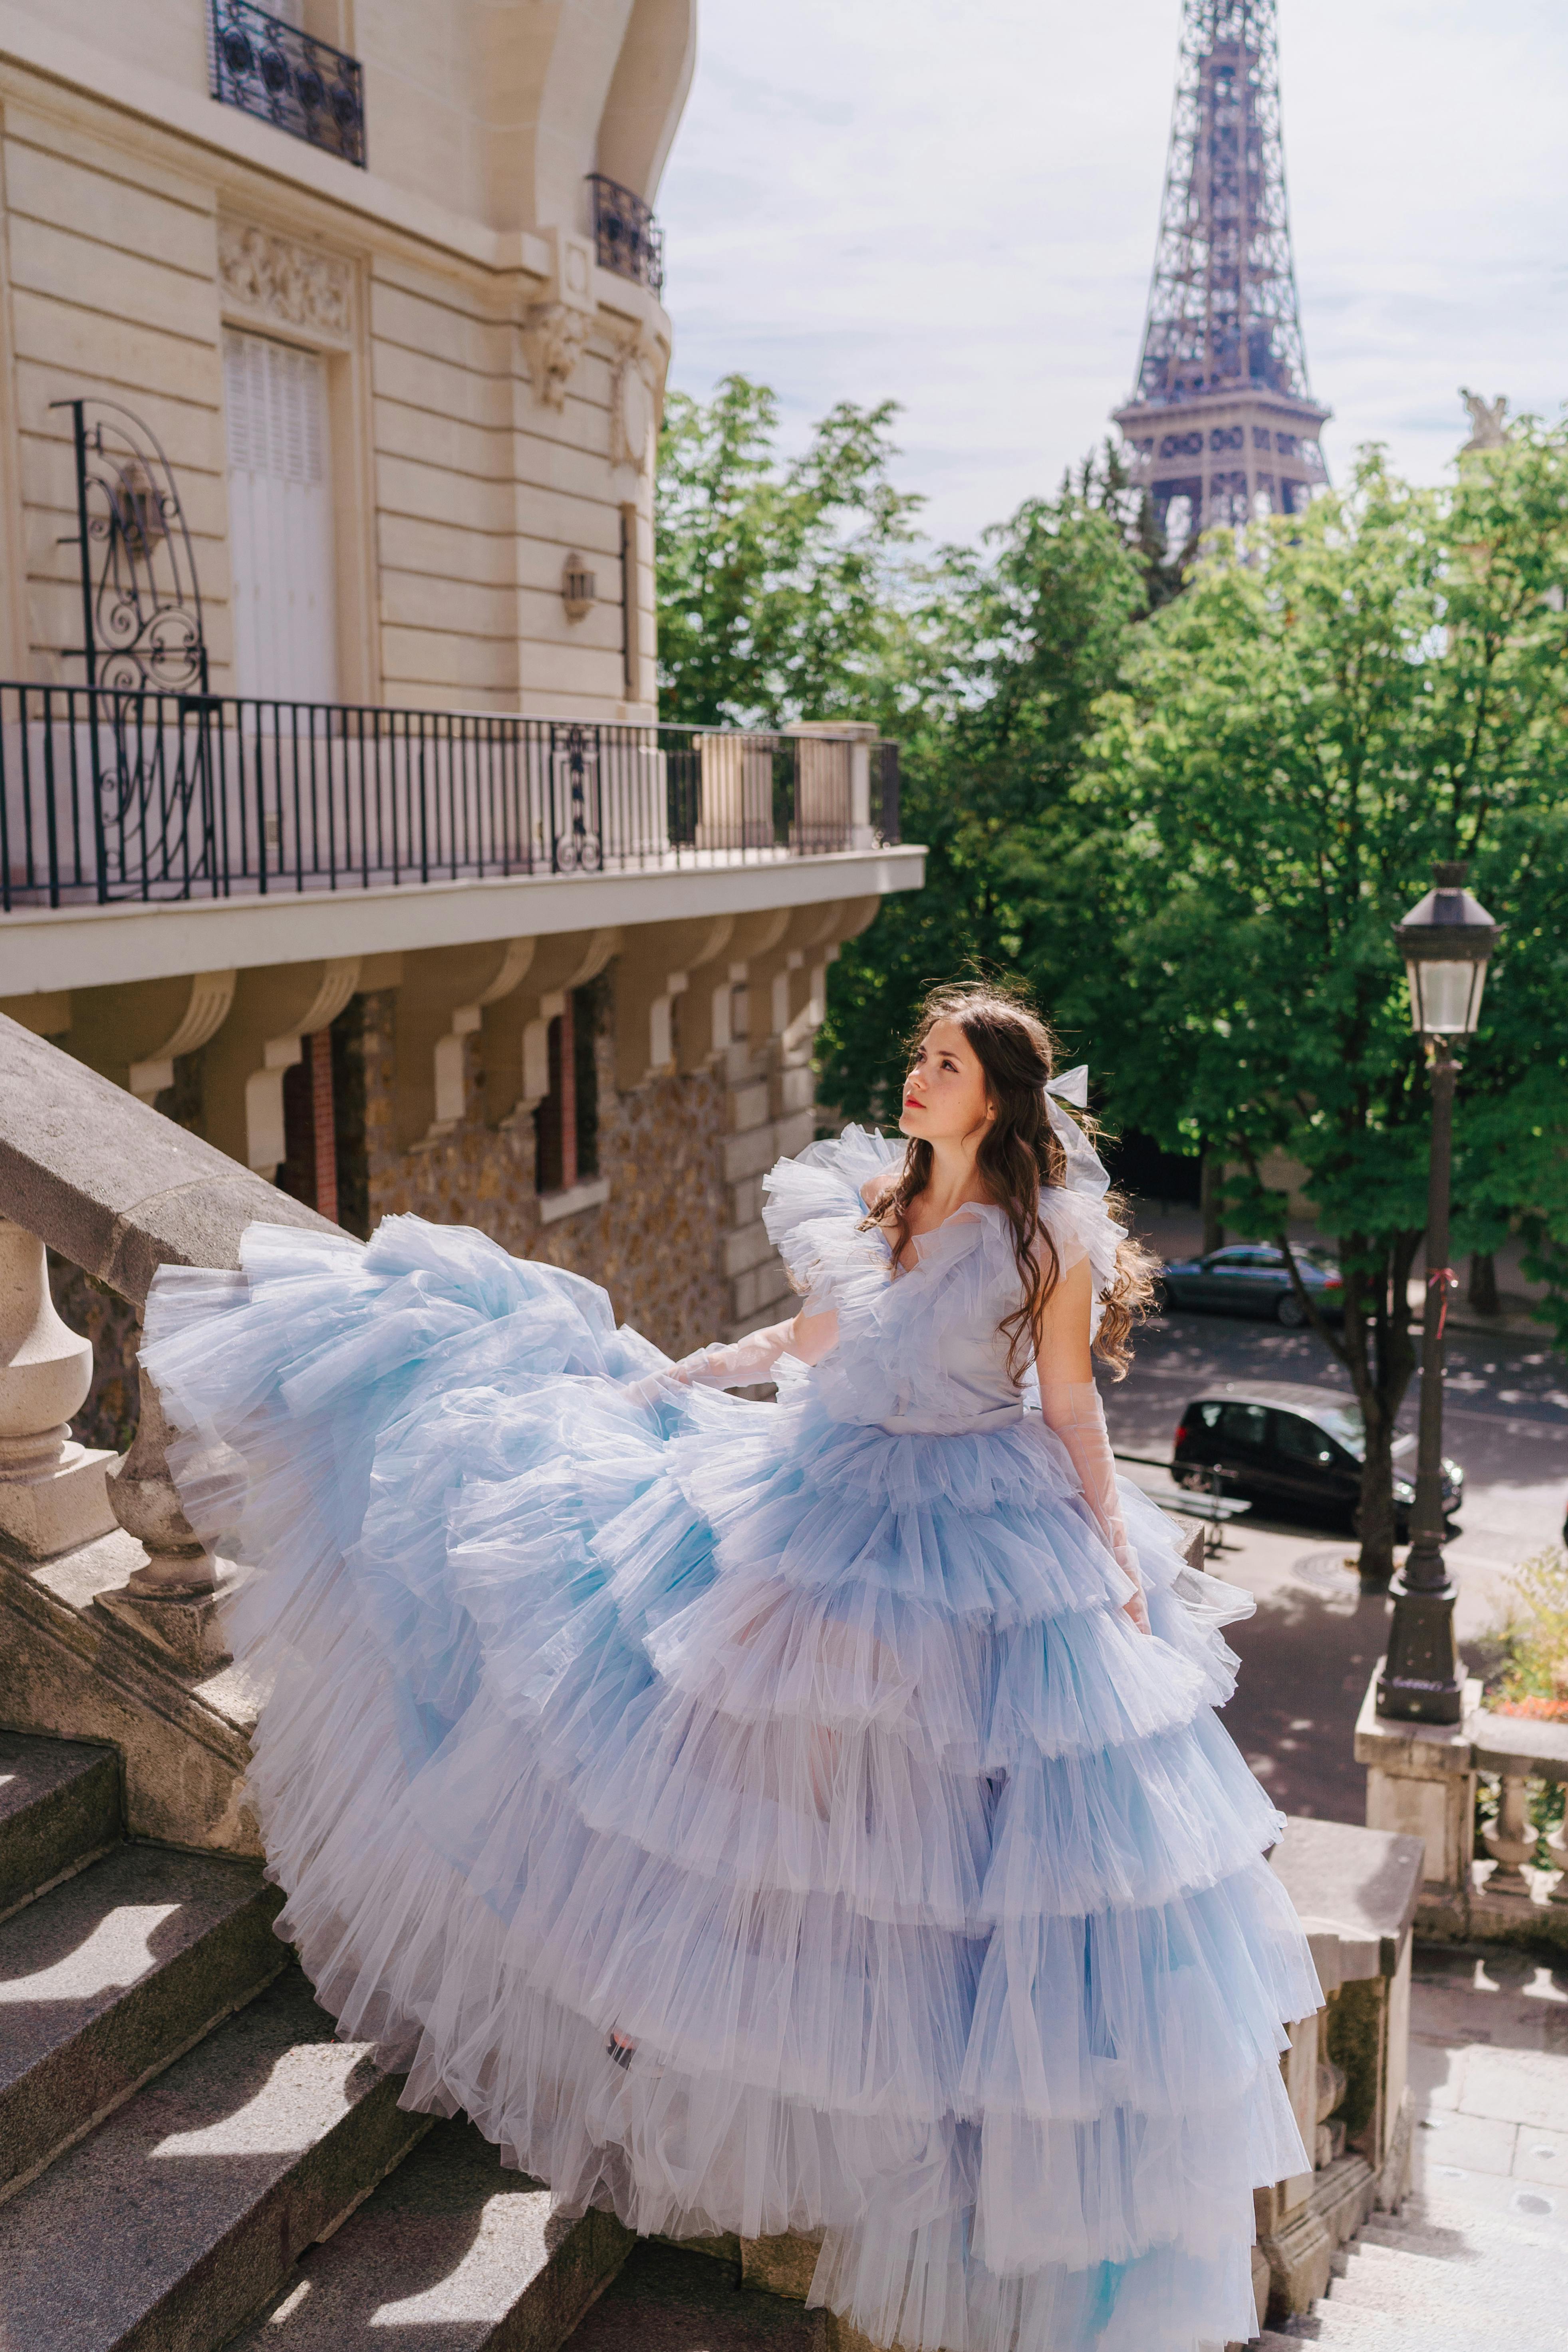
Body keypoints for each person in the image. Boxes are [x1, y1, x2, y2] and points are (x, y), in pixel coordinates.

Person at [141, 980, 1320, 2352]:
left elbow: (1069, 1405)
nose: (919, 1075)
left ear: (996, 1096)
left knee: (901, 1831)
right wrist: (697, 1369)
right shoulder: (878, 1200)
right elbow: (815, 1341)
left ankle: (883, 2097)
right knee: (705, 1752)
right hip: (822, 1499)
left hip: (967, 1536)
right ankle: (652, 2012)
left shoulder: (1042, 1240)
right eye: (921, 1056)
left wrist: (1113, 1553)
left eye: (946, 1062)